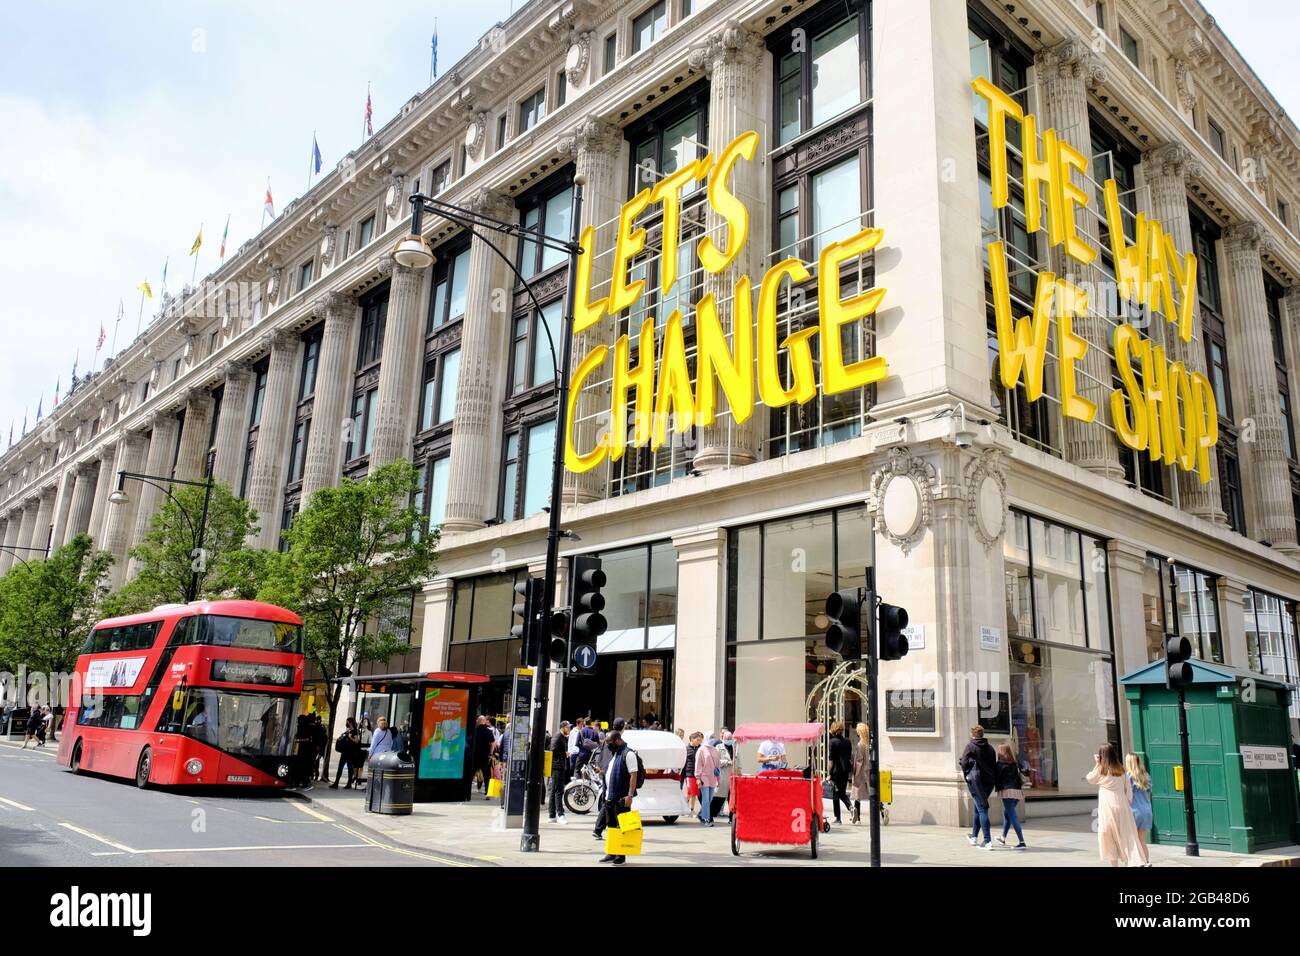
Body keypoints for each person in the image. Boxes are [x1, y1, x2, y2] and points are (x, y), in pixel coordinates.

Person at [1086, 743, 1144, 867]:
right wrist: (1126, 804)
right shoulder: (1122, 770)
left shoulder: (1101, 770)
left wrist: (1097, 764)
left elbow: (1090, 778)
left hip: (1107, 807)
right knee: (1128, 835)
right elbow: (1129, 792)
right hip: (1122, 805)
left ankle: (1115, 865)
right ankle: (1135, 862)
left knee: (1109, 836)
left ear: (1101, 756)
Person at [598, 730, 639, 865]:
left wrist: (630, 795)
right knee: (611, 827)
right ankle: (611, 852)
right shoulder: (615, 754)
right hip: (610, 797)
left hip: (622, 798)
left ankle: (620, 856)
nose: (608, 746)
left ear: (617, 740)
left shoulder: (629, 754)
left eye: (609, 743)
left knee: (622, 827)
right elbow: (612, 772)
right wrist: (602, 772)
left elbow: (633, 775)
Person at [959, 725, 996, 849]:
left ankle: (987, 841)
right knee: (978, 809)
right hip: (989, 783)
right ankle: (974, 837)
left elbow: (964, 762)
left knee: (982, 809)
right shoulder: (990, 748)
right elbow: (993, 765)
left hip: (976, 782)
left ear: (973, 735)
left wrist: (966, 774)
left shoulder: (970, 746)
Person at [592, 717, 627, 841]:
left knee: (608, 802)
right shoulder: (615, 740)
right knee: (609, 803)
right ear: (623, 727)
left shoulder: (610, 737)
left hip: (606, 773)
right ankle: (600, 829)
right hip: (610, 775)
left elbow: (600, 755)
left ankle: (599, 829)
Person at [993, 743, 1027, 849]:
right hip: (1017, 792)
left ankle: (1022, 842)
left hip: (1007, 791)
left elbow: (996, 778)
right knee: (1007, 813)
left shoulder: (999, 764)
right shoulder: (1015, 763)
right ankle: (1002, 838)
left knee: (1012, 816)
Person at [1125, 752, 1153, 866]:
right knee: (1142, 841)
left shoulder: (1128, 777)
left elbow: (1127, 796)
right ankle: (1145, 862)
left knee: (1132, 840)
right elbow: (1149, 795)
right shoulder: (1146, 776)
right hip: (1146, 811)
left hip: (1134, 811)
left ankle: (1133, 863)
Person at [827, 722, 853, 825]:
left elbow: (831, 760)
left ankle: (838, 818)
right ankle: (850, 807)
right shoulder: (848, 741)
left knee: (835, 794)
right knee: (841, 792)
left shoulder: (832, 742)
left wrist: (829, 773)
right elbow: (849, 756)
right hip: (845, 771)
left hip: (836, 771)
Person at [694, 731, 722, 827]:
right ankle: (706, 819)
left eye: (713, 736)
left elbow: (718, 766)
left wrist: (719, 779)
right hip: (704, 777)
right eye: (710, 736)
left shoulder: (715, 750)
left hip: (713, 778)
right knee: (705, 800)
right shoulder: (701, 750)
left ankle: (701, 814)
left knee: (709, 800)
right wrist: (698, 778)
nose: (712, 738)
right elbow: (698, 764)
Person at [548, 721, 571, 823]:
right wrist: (564, 754)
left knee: (554, 791)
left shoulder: (562, 737)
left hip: (559, 767)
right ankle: (560, 814)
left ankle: (552, 815)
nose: (569, 729)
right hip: (556, 767)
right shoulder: (558, 737)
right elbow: (552, 750)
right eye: (567, 727)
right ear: (562, 728)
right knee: (558, 791)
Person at [330, 718, 363, 789]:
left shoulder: (355, 731)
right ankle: (336, 783)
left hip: (350, 753)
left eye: (347, 722)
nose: (346, 723)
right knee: (340, 767)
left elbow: (356, 741)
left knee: (349, 768)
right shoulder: (348, 731)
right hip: (344, 752)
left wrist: (350, 737)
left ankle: (349, 784)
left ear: (350, 723)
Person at [471, 715, 496, 798]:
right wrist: (491, 754)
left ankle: (466, 791)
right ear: (484, 721)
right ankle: (487, 793)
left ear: (478, 721)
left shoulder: (473, 730)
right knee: (487, 775)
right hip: (485, 756)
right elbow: (493, 743)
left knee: (471, 773)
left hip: (474, 756)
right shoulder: (488, 731)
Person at [850, 722, 870, 825]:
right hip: (868, 772)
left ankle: (857, 818)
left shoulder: (860, 744)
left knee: (857, 795)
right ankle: (882, 811)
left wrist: (855, 773)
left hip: (860, 773)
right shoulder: (868, 744)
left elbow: (859, 761)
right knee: (871, 793)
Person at [683, 732, 701, 816]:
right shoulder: (686, 749)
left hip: (697, 773)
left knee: (694, 793)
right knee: (690, 791)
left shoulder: (700, 749)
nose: (699, 741)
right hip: (689, 773)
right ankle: (685, 808)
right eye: (697, 740)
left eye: (700, 740)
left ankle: (691, 809)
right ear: (692, 739)